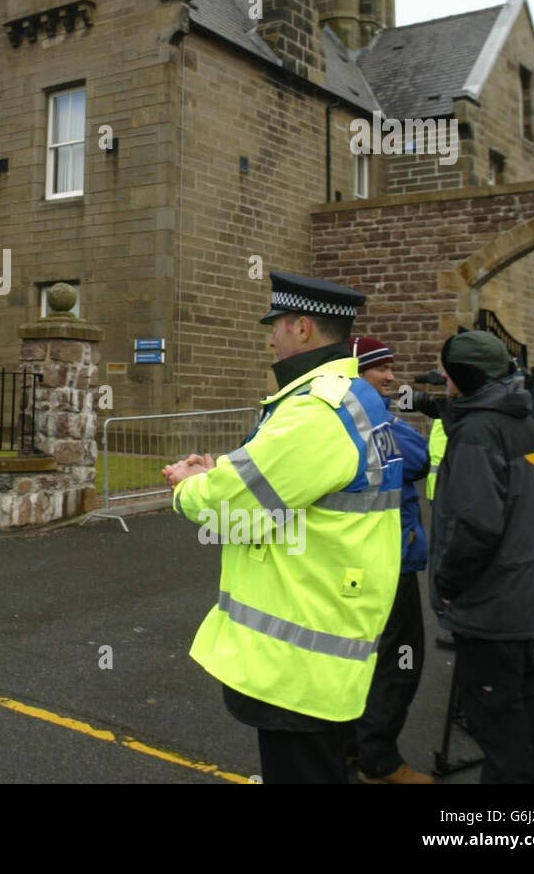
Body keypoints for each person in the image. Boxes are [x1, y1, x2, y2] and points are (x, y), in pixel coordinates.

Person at [164, 271, 402, 783]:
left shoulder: (316, 410)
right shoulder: (350, 394)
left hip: (300, 663)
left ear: (302, 328)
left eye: (275, 326)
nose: (269, 338)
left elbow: (233, 507)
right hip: (325, 635)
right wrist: (223, 471)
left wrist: (188, 486)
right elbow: (278, 480)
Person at [430, 330, 534, 784]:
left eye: (450, 372)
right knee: (524, 697)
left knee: (496, 719)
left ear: (464, 375)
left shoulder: (478, 432)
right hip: (521, 589)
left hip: (489, 601)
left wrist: (449, 586)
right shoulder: (520, 418)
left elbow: (476, 523)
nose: (444, 380)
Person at [348, 336, 434, 784]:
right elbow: (417, 458)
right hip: (389, 562)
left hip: (357, 562)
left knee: (358, 658)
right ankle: (378, 761)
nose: (391, 376)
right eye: (379, 369)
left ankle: (351, 749)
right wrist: (386, 419)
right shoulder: (374, 419)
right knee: (399, 663)